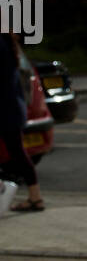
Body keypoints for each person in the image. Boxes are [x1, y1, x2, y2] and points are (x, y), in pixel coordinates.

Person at [0, 30, 44, 211]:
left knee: (17, 152)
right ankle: (35, 197)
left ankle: (34, 197)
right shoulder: (7, 41)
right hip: (11, 107)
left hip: (4, 108)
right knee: (18, 152)